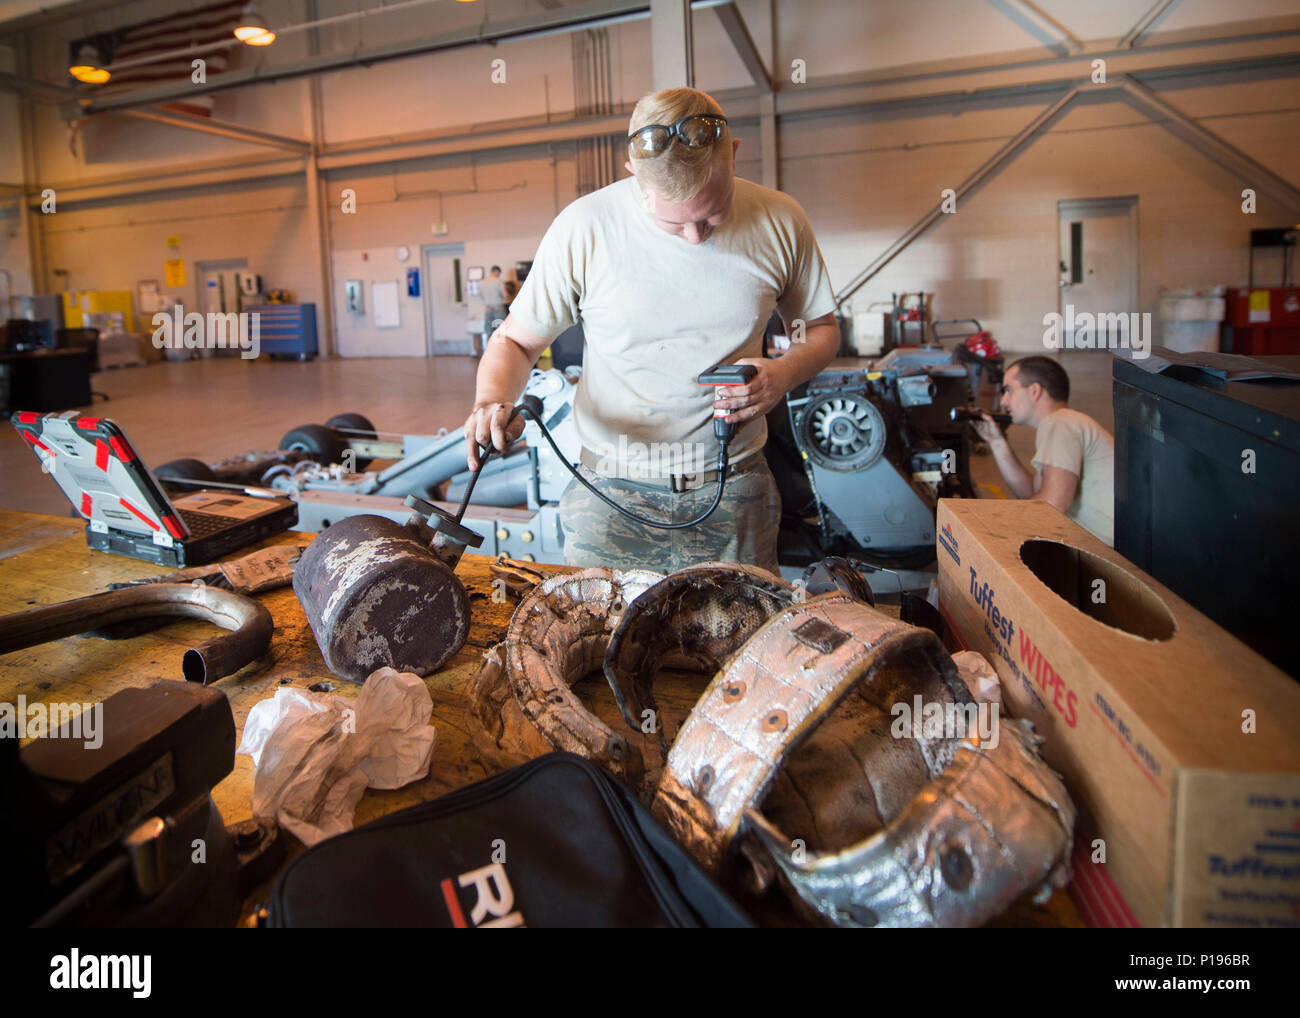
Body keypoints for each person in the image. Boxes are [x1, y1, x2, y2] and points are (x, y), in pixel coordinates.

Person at [461, 87, 840, 573]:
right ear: (633, 173)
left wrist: (781, 375)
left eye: (712, 215)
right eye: (674, 223)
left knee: (736, 642)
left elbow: (821, 329)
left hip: (733, 491)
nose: (695, 236)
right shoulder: (585, 229)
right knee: (599, 643)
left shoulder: (781, 220)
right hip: (611, 496)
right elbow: (515, 341)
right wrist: (491, 401)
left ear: (735, 152)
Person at [971, 355, 1114, 545]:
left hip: (1109, 554)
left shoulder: (1061, 422)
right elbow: (1031, 493)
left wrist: (990, 521)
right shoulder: (1061, 425)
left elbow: (1054, 505)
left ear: (1035, 391)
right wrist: (996, 441)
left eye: (1008, 390)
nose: (1004, 401)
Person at [479, 266, 509, 333]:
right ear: (497, 272)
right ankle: (500, 344)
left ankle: (489, 343)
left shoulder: (482, 282)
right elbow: (505, 295)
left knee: (489, 331)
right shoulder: (498, 281)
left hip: (488, 309)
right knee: (501, 331)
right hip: (498, 309)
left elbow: (481, 295)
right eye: (499, 273)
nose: (499, 275)